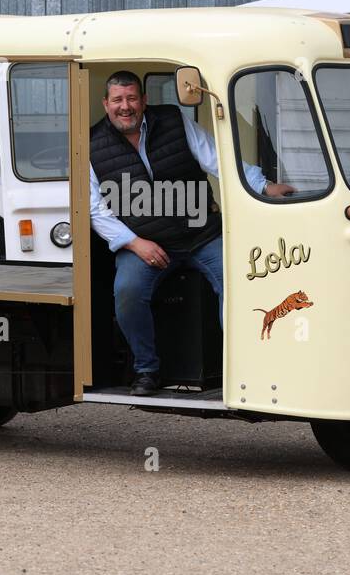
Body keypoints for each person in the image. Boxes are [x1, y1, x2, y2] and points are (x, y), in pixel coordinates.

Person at [89, 71, 294, 395]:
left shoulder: (172, 120)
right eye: (117, 100)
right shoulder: (91, 144)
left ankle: (244, 368)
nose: (125, 106)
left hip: (200, 236)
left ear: (143, 100)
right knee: (126, 292)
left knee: (241, 280)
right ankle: (146, 370)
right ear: (106, 103)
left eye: (131, 98)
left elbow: (219, 160)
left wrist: (264, 186)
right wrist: (135, 243)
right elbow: (95, 210)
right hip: (145, 244)